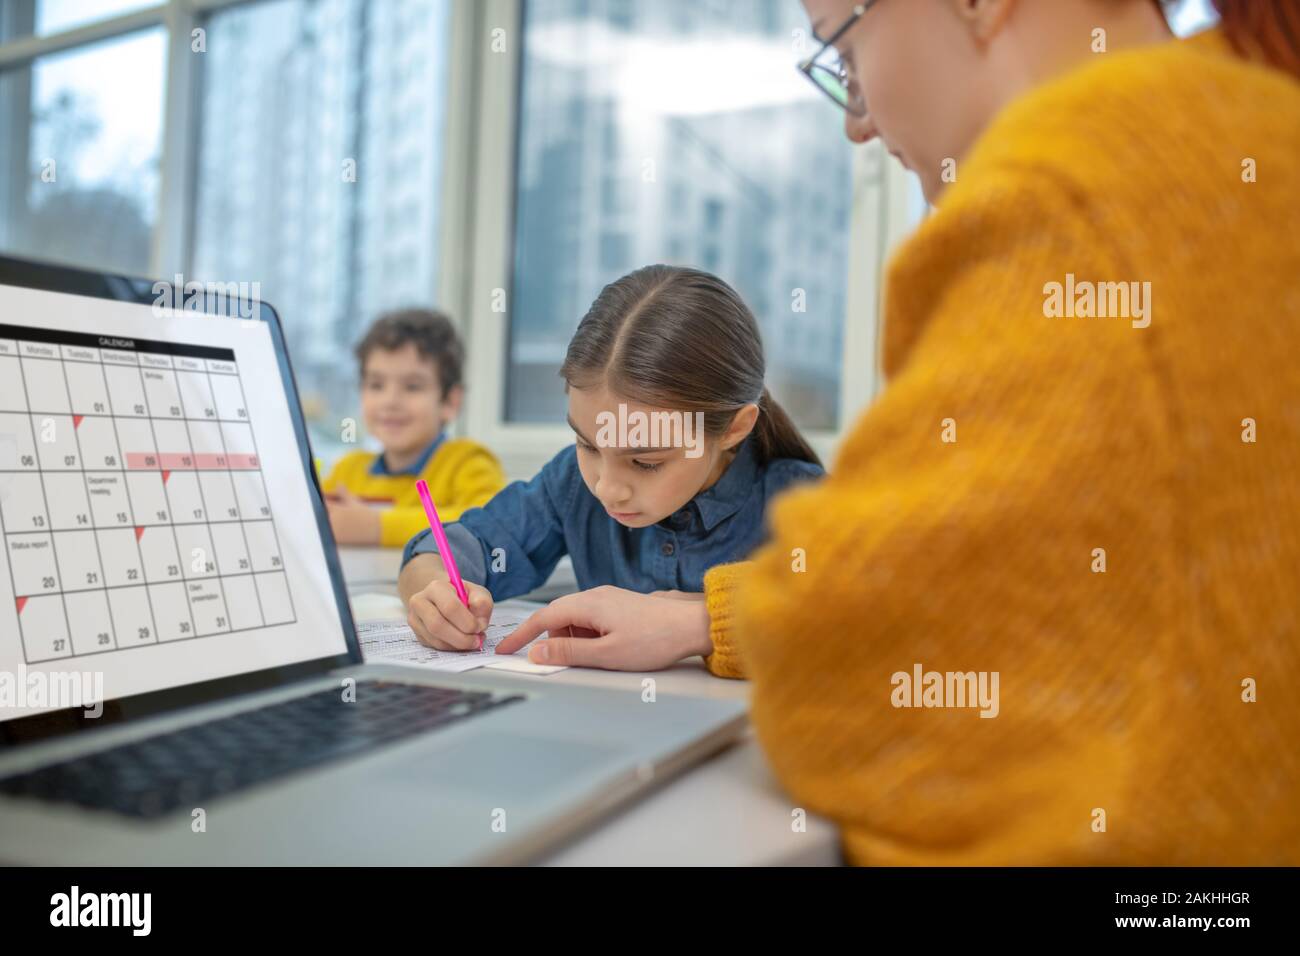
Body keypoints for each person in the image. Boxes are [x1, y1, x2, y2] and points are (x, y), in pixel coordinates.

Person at [498, 0, 1300, 864]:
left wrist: (714, 624)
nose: (858, 120)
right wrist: (708, 622)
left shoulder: (1074, 188)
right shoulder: (1250, 123)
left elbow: (844, 688)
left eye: (844, 50)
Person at [397, 265, 823, 658]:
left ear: (733, 428)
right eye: (588, 445)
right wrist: (432, 587)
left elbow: (856, 612)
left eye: (645, 462)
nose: (606, 487)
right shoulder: (570, 485)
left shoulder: (805, 502)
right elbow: (465, 543)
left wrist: (702, 622)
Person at [322, 308, 505, 546]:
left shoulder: (467, 462)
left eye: (412, 387)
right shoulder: (347, 472)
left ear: (451, 401)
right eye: (376, 385)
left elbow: (490, 524)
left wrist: (378, 526)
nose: (390, 401)